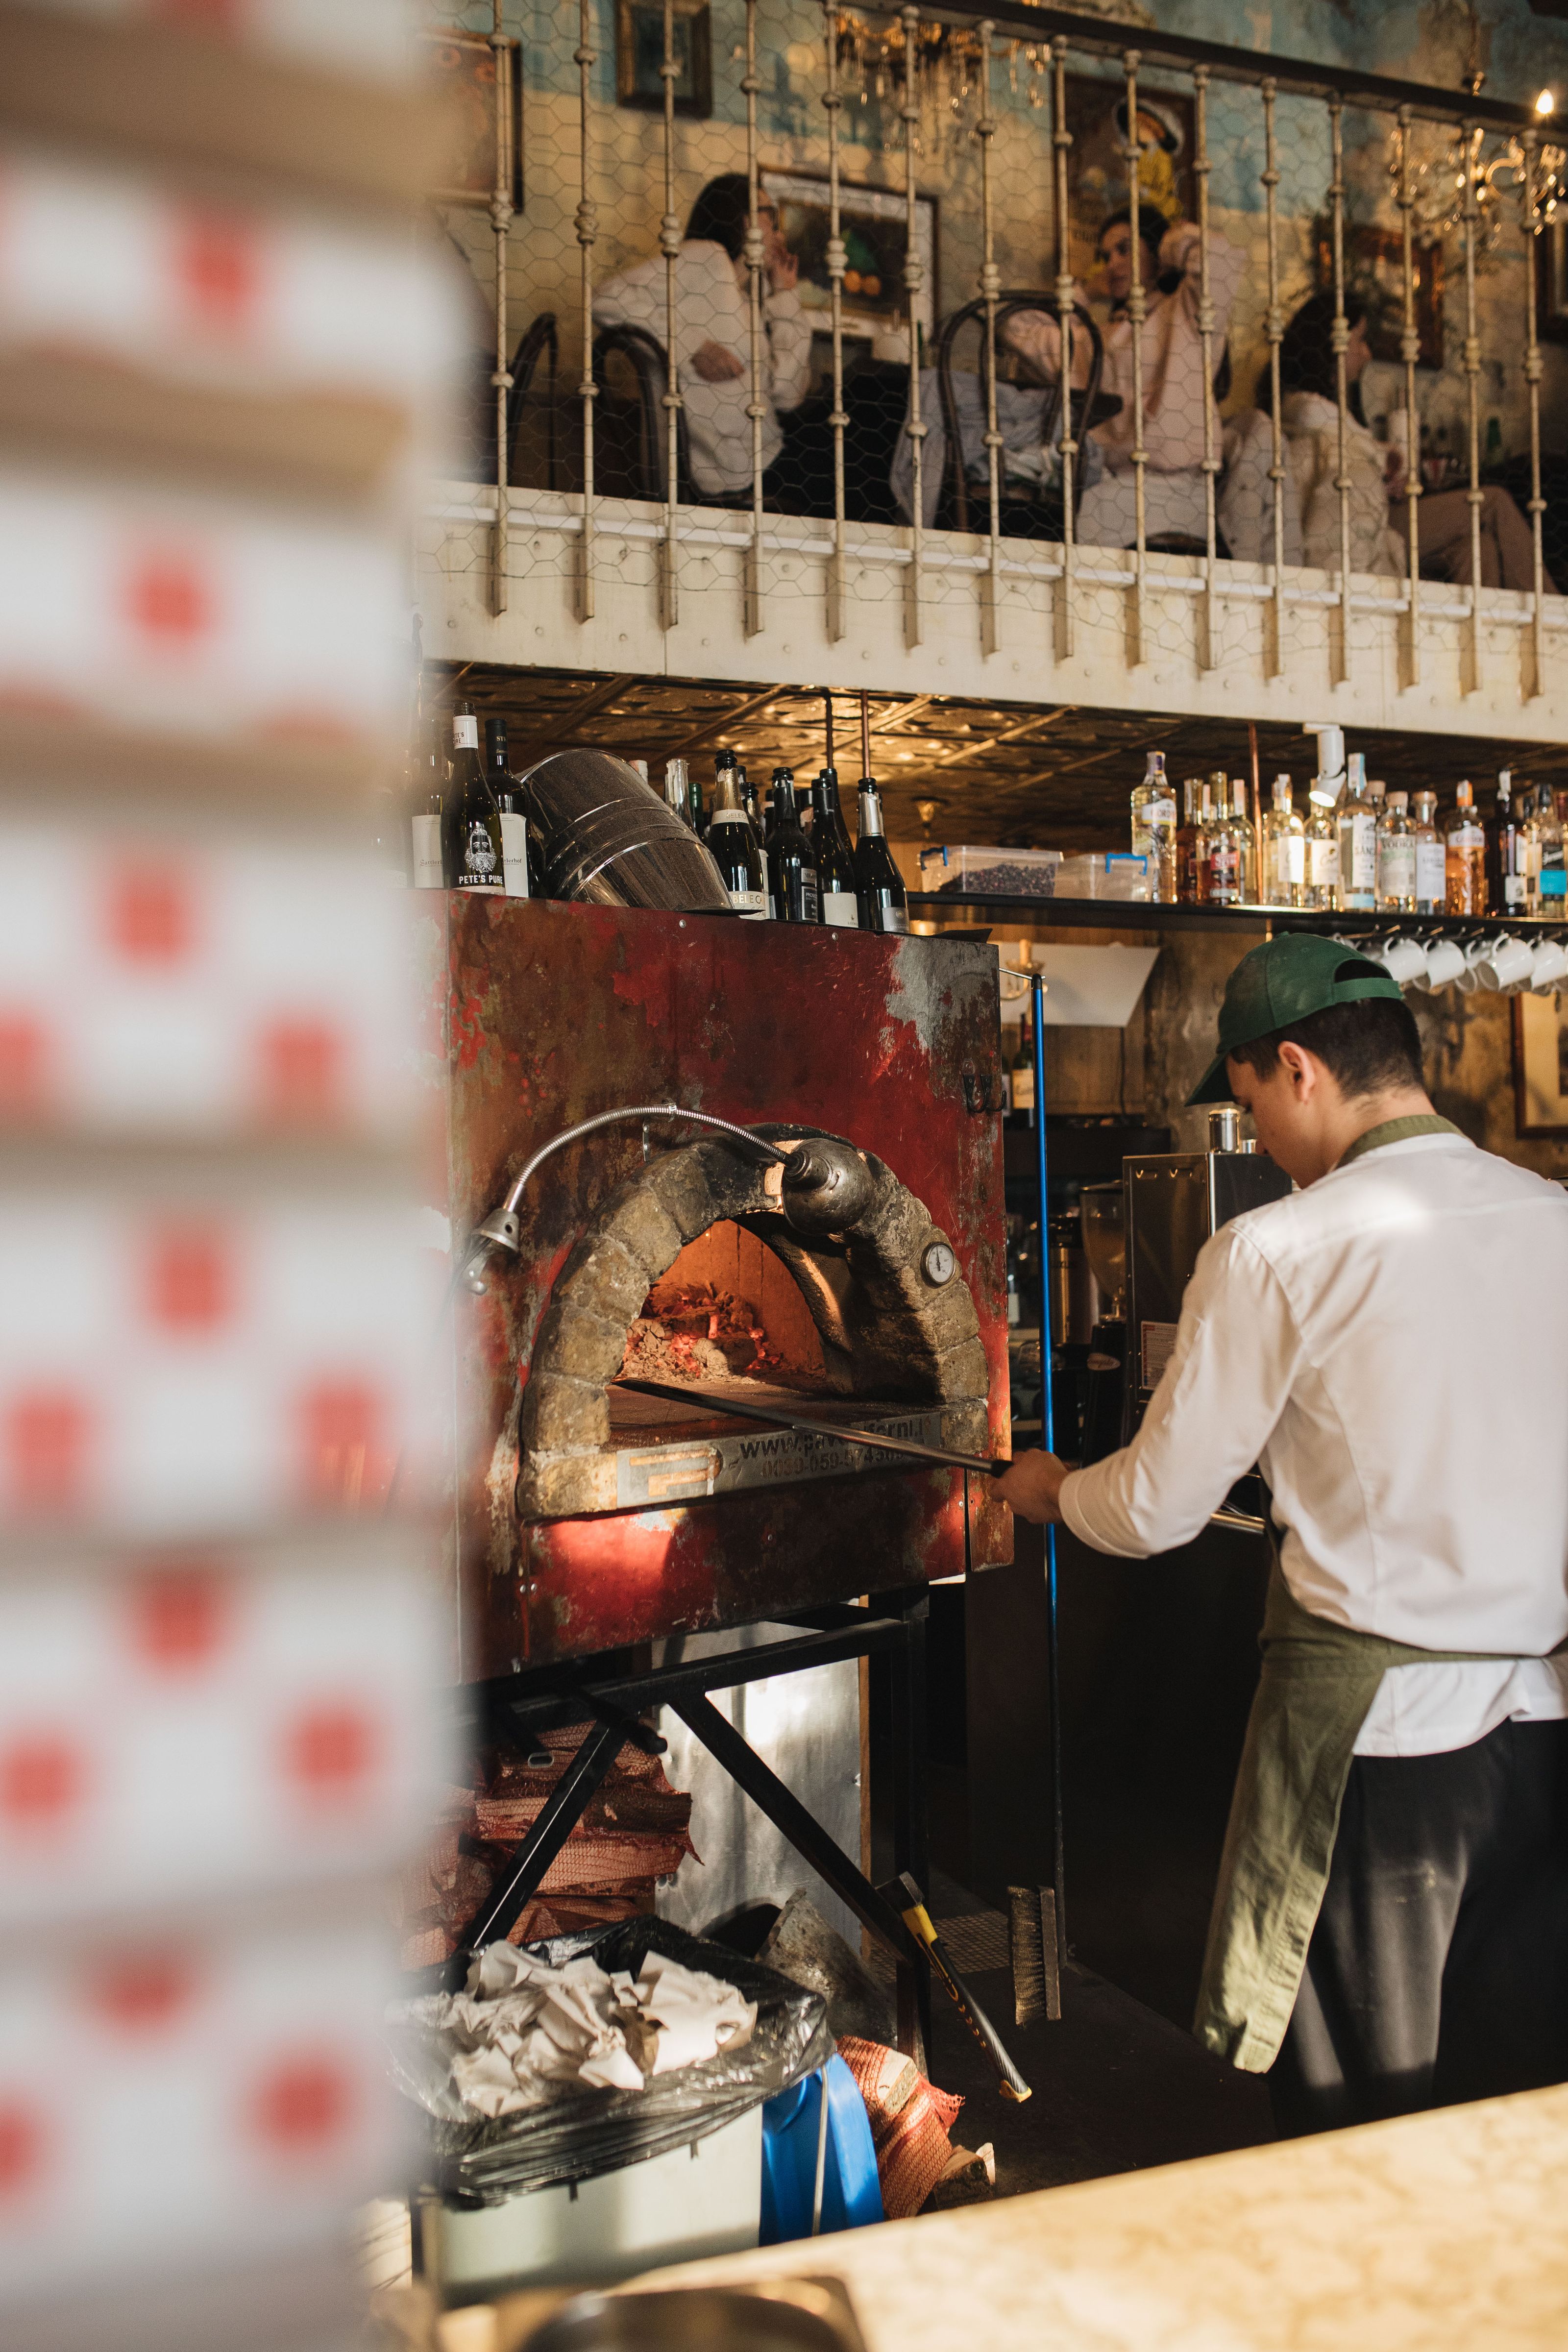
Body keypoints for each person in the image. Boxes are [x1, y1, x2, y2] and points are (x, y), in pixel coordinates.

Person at [996, 934, 1568, 2136]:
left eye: (1251, 1100)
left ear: (1298, 1067)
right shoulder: (1548, 1215)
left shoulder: (1276, 1248)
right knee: (1514, 2093)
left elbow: (1155, 1504)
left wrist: (1053, 1488)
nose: (1254, 1136)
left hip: (1383, 1752)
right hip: (1538, 1734)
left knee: (1368, 2113)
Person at [1002, 204, 1252, 551]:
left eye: (1125, 250)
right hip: (1115, 483)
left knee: (1085, 519)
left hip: (1176, 487)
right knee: (1045, 519)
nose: (1113, 264)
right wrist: (1088, 292)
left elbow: (1219, 257)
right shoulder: (1096, 338)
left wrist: (1169, 245)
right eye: (1105, 256)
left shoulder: (1185, 312)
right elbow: (1017, 327)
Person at [1271, 290, 1549, 590]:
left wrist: (1384, 467)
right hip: (1369, 527)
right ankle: (1555, 613)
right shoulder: (1306, 409)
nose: (1367, 353)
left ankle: (1482, 634)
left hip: (1381, 517)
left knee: (1478, 550)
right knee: (1492, 502)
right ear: (1332, 342)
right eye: (1360, 340)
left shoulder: (1325, 411)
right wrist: (1384, 461)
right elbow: (1345, 468)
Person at [592, 173, 811, 502]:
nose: (780, 233)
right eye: (772, 217)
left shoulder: (752, 297)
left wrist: (784, 295)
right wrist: (691, 348)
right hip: (717, 479)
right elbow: (605, 299)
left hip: (760, 466)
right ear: (745, 219)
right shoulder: (706, 258)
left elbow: (787, 393)